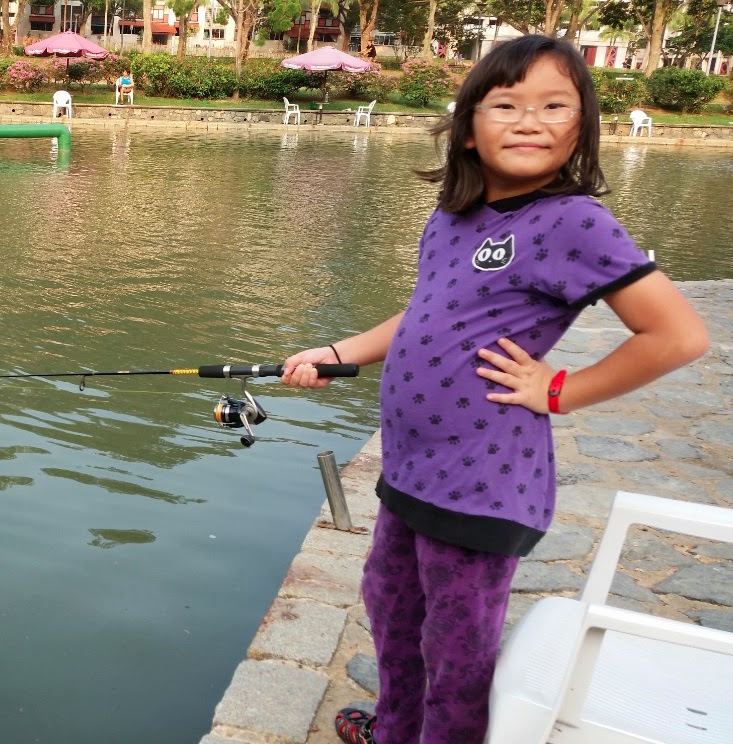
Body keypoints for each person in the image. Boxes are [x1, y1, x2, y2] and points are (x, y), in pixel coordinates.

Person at [279, 34, 708, 744]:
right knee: (389, 608)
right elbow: (424, 314)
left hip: (482, 480)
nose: (528, 120)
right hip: (412, 468)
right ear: (469, 129)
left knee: (455, 649)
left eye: (553, 105)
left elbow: (677, 336)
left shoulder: (573, 221)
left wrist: (561, 389)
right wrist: (335, 352)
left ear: (580, 127)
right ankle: (396, 729)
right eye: (504, 104)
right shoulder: (453, 215)